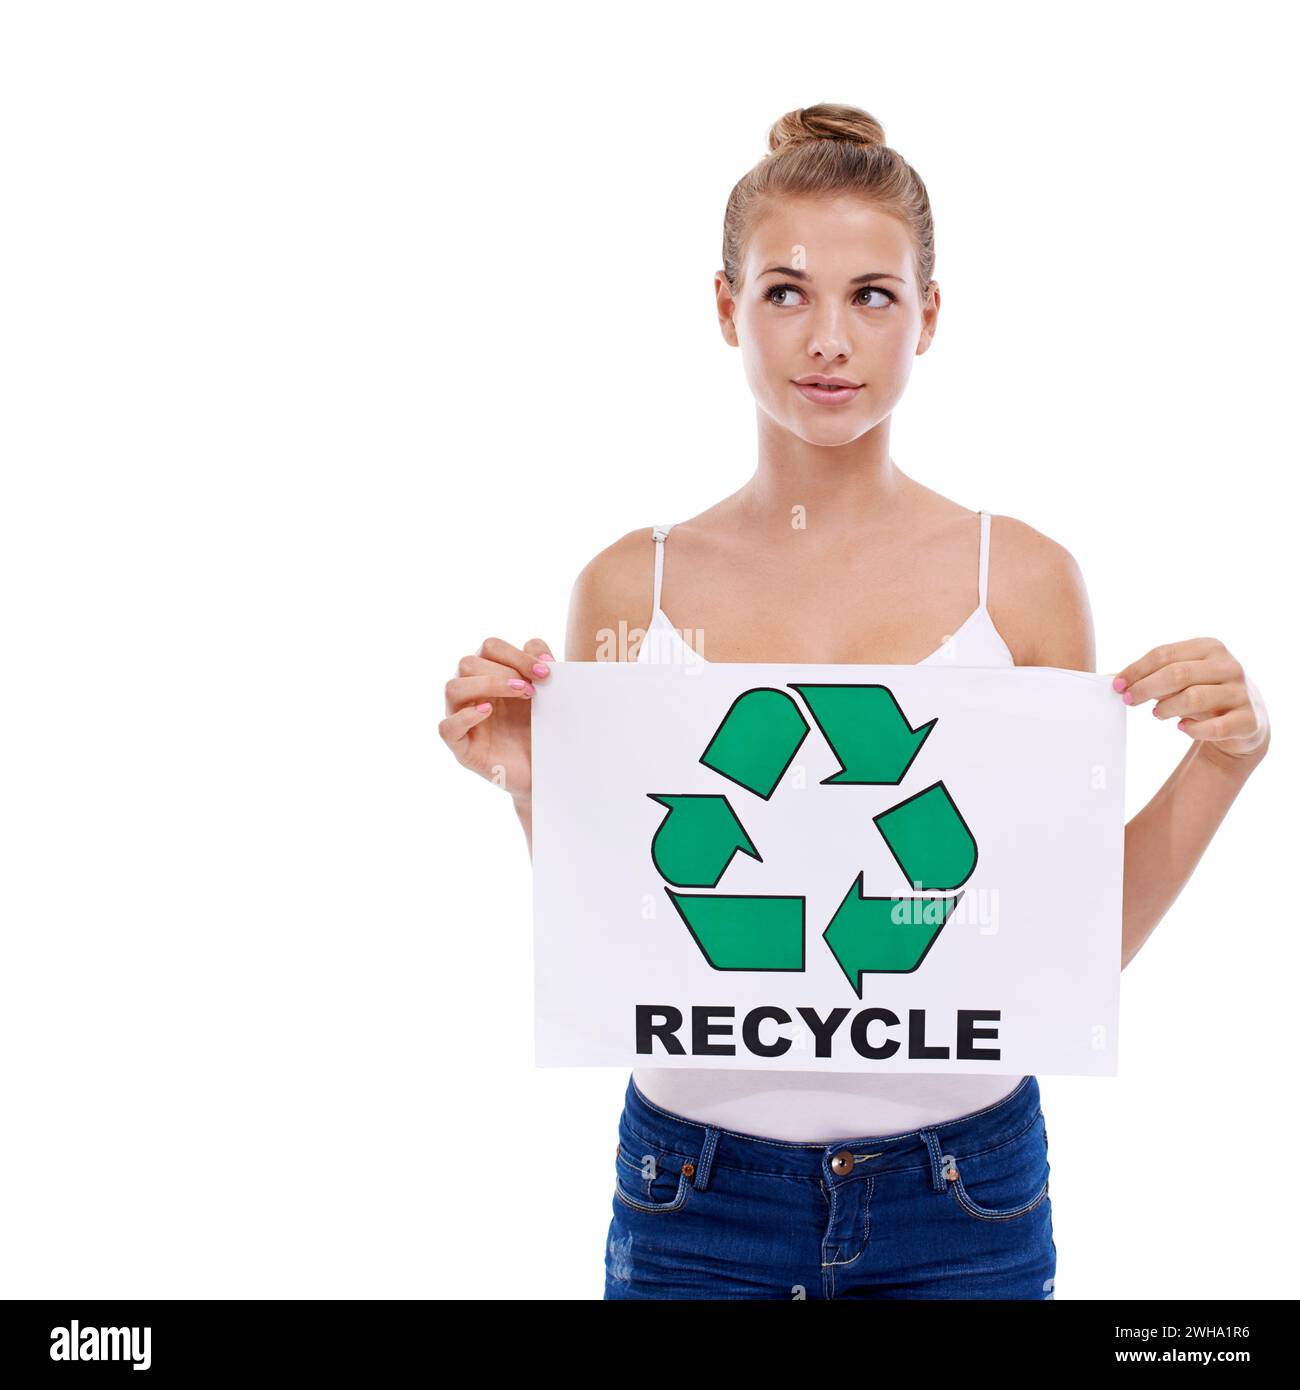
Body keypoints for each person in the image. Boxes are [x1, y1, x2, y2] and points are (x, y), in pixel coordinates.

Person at [439, 102, 1271, 1299]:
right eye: (784, 292)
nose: (828, 338)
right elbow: (634, 941)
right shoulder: (631, 586)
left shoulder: (1021, 580)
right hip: (692, 1197)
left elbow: (1069, 954)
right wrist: (535, 784)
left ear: (929, 315)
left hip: (960, 1199)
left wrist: (1223, 762)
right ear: (724, 307)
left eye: (872, 294)